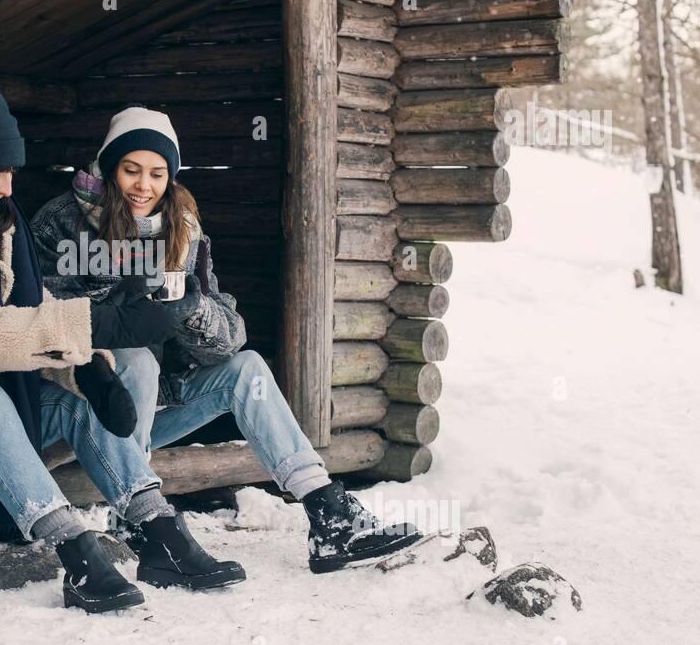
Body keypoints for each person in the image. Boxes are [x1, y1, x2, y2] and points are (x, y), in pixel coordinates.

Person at [0, 87, 246, 613]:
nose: (8, 187)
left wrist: (89, 373)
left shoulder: (0, 229)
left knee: (83, 403)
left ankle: (157, 529)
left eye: (11, 171)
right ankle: (73, 549)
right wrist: (108, 323)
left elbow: (36, 306)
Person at [30, 104, 423, 573]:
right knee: (136, 359)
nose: (143, 185)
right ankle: (138, 517)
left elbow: (228, 340)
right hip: (88, 409)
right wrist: (115, 293)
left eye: (157, 174)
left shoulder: (183, 228)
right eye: (131, 169)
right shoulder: (61, 220)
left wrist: (190, 309)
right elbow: (34, 313)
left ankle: (327, 511)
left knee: (248, 368)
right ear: (110, 167)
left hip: (159, 404)